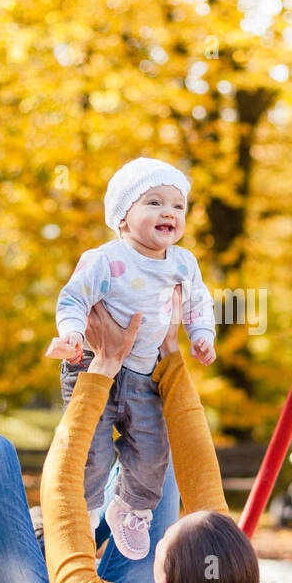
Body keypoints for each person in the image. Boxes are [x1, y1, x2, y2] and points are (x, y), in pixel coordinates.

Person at [0, 287, 262, 583]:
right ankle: (38, 540)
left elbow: (63, 490)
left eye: (165, 539)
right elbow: (205, 488)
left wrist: (103, 367)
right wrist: (169, 353)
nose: (164, 529)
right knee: (157, 466)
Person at [46, 157, 217, 561]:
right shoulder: (105, 260)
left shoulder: (182, 263)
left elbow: (198, 304)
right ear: (123, 218)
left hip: (143, 375)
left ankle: (132, 509)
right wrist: (70, 331)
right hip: (92, 367)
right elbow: (73, 298)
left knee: (154, 452)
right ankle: (84, 513)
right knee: (93, 452)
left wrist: (202, 335)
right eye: (154, 203)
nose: (169, 213)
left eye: (178, 206)